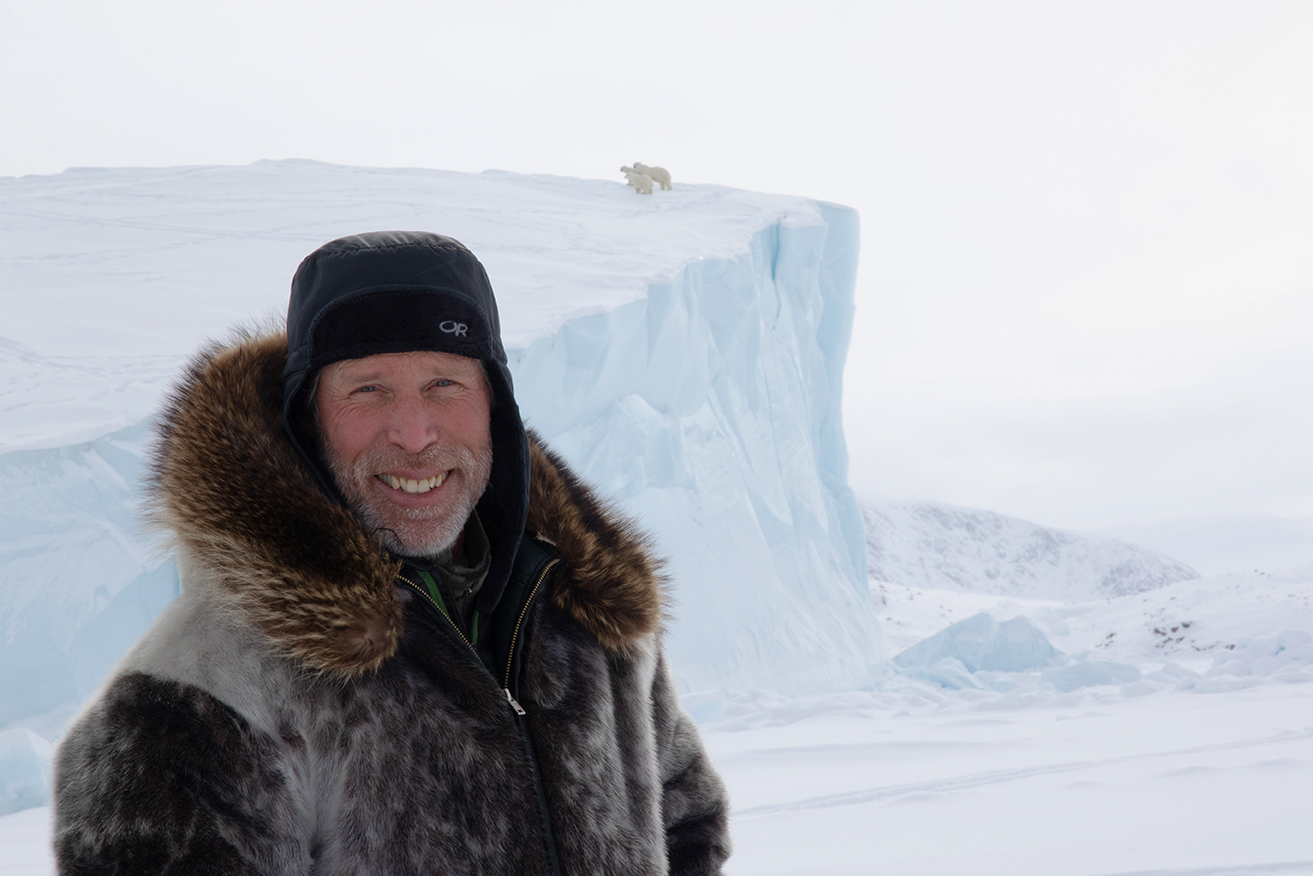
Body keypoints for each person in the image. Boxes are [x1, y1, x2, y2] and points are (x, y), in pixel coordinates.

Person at [52, 231, 731, 875]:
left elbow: (687, 819)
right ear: (308, 416)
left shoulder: (582, 613)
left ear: (492, 402)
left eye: (444, 384)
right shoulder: (200, 690)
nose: (412, 433)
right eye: (367, 390)